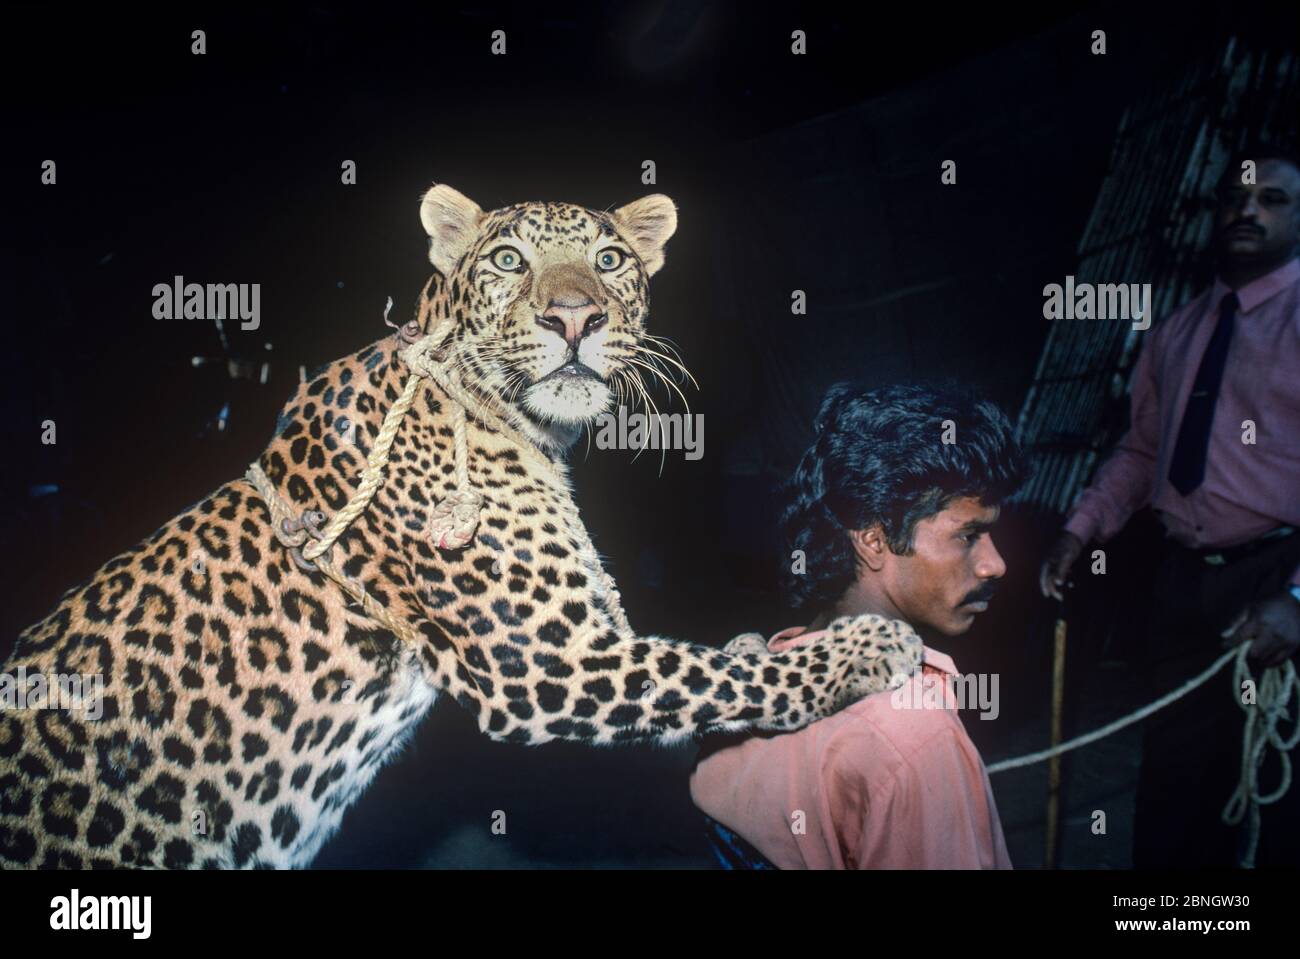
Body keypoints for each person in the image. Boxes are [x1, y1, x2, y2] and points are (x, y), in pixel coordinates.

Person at [1039, 144, 1300, 868]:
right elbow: (1142, 452)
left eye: (1273, 199)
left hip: (1277, 576)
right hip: (1183, 581)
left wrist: (1297, 598)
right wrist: (1080, 526)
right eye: (1237, 197)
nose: (1248, 209)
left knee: (1271, 796)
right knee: (1173, 786)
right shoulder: (1178, 332)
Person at [689, 382, 1026, 869]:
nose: (996, 564)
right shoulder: (912, 737)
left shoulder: (761, 672)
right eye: (969, 535)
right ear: (873, 540)